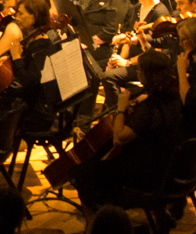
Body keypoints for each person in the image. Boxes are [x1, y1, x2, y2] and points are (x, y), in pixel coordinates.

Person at [73, 49, 184, 212]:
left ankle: (96, 222)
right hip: (168, 167)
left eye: (139, 70)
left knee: (82, 173)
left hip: (144, 175)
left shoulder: (148, 108)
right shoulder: (175, 97)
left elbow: (119, 139)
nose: (137, 72)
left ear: (147, 75)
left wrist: (121, 109)